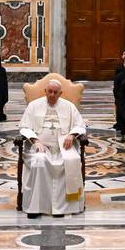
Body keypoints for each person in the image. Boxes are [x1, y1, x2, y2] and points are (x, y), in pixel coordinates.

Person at [18, 79, 87, 218]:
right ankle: (36, 207)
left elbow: (80, 125)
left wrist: (72, 134)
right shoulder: (34, 106)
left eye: (55, 92)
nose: (52, 95)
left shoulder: (69, 107)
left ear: (60, 93)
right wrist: (36, 141)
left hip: (63, 148)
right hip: (42, 147)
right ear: (45, 91)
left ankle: (62, 208)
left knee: (71, 160)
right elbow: (24, 127)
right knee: (39, 161)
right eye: (49, 91)